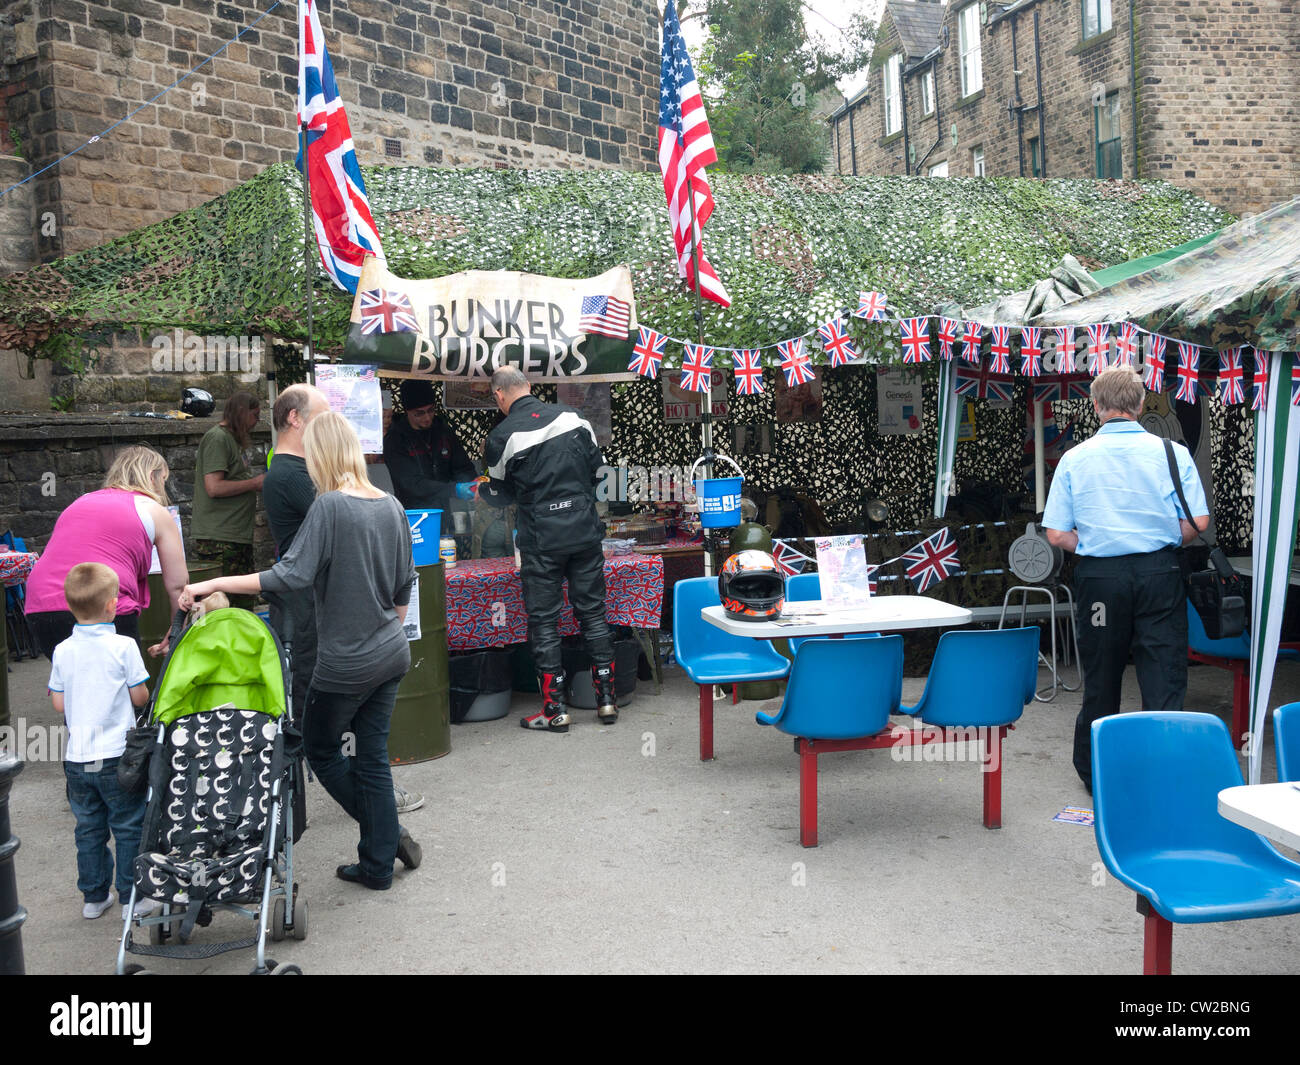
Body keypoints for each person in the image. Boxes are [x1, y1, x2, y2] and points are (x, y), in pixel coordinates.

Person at [180, 411, 421, 891]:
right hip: (390, 653)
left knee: (320, 747)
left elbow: (289, 575)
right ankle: (379, 858)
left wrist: (212, 581)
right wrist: (383, 636)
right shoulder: (390, 504)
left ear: (320, 455)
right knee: (371, 756)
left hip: (346, 662)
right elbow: (403, 588)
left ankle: (386, 839)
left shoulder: (330, 507)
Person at [1043, 365, 1209, 794]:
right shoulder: (1173, 453)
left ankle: (1096, 773)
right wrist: (1157, 538)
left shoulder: (1074, 459)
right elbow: (1199, 520)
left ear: (1097, 406)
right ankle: (1164, 771)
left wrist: (1101, 542)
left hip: (1101, 577)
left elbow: (1058, 534)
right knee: (1164, 674)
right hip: (1159, 572)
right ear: (1140, 404)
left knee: (1102, 675)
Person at [264, 384, 425, 815]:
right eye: (321, 414)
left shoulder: (323, 490)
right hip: (312, 615)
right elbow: (296, 568)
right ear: (296, 419)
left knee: (352, 727)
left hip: (332, 616)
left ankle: (376, 806)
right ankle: (372, 808)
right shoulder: (295, 477)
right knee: (323, 723)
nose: (330, 422)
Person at [479, 366, 616, 732]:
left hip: (541, 540)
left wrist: (482, 490)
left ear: (499, 395)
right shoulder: (573, 417)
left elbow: (498, 495)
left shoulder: (501, 436)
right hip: (585, 532)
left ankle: (554, 710)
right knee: (593, 612)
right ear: (529, 387)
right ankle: (605, 700)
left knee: (544, 620)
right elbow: (597, 470)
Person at [48, 562, 155, 921]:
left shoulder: (63, 651)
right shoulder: (123, 646)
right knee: (127, 825)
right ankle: (132, 896)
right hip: (116, 756)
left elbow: (59, 703)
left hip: (78, 759)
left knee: (89, 828)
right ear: (112, 605)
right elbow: (139, 698)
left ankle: (94, 897)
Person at [25, 445, 188, 660]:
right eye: (163, 480)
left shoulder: (81, 500)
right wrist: (177, 633)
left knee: (71, 685)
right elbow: (178, 586)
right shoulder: (154, 510)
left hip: (42, 606)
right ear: (152, 477)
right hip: (104, 606)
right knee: (120, 688)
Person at [192, 390, 264, 610]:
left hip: (235, 537)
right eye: (255, 415)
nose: (257, 421)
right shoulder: (218, 438)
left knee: (242, 602)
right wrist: (255, 483)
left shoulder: (233, 440)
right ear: (241, 413)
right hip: (219, 540)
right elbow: (213, 487)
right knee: (222, 606)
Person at [383, 378, 477, 536]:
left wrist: (472, 482)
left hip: (444, 513)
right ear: (407, 411)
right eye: (419, 413)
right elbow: (412, 484)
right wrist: (454, 489)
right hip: (413, 518)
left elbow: (463, 467)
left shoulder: (443, 432)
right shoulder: (395, 440)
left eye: (431, 410)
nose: (427, 418)